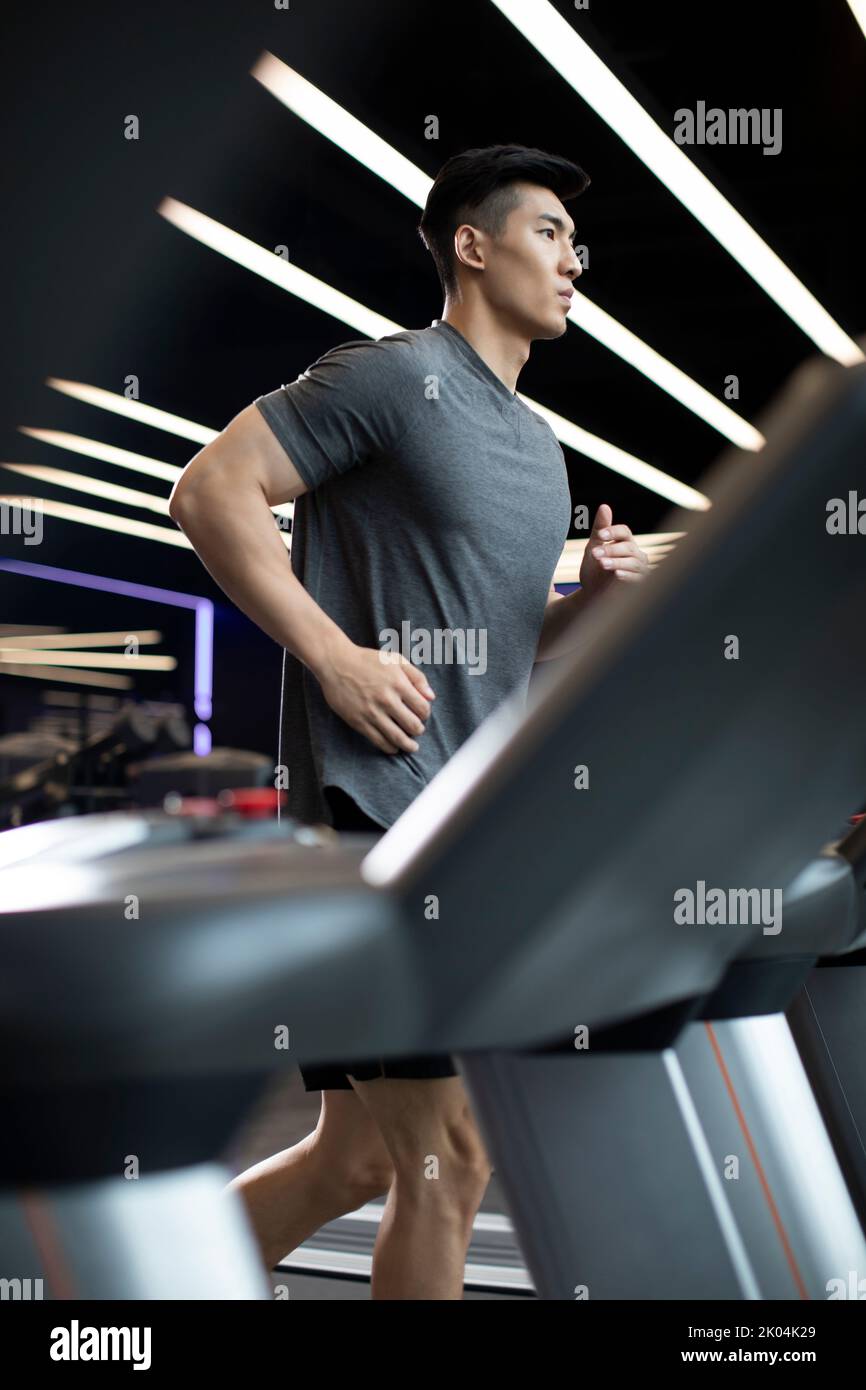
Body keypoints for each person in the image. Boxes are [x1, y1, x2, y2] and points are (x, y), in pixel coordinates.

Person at [168, 144, 649, 1297]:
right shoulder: (391, 376)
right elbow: (209, 490)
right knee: (449, 1162)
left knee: (357, 1162)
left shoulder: (539, 447)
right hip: (368, 812)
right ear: (471, 247)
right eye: (548, 234)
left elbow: (498, 636)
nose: (573, 261)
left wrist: (587, 602)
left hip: (456, 827)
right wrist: (333, 657)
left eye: (576, 243)